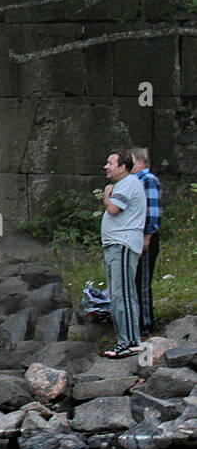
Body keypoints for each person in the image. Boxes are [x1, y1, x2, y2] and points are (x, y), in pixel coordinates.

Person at [100, 149, 147, 358]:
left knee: (123, 294)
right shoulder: (126, 184)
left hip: (123, 244)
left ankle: (129, 342)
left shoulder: (127, 184)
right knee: (117, 294)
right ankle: (127, 340)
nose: (106, 167)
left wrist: (107, 194)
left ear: (123, 167)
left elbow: (113, 209)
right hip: (115, 245)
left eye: (110, 163)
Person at [129, 146, 163, 338]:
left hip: (145, 237)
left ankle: (146, 325)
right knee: (135, 280)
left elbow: (153, 210)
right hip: (135, 236)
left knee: (142, 281)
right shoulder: (134, 182)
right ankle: (137, 322)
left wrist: (147, 236)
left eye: (131, 162)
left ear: (141, 162)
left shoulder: (148, 180)